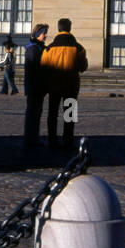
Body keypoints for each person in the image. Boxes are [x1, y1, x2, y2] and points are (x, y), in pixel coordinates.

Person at [42, 18, 88, 150]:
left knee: (52, 113)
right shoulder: (78, 47)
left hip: (54, 85)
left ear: (58, 29)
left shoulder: (49, 48)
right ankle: (68, 140)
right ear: (70, 29)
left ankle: (52, 140)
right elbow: (83, 67)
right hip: (71, 85)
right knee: (69, 114)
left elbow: (43, 68)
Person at [22, 24, 49, 148]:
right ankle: (30, 140)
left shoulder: (37, 47)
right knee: (33, 114)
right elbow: (35, 69)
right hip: (35, 87)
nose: (46, 36)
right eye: (44, 33)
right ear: (38, 34)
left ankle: (33, 139)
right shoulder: (33, 49)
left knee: (35, 114)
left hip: (36, 87)